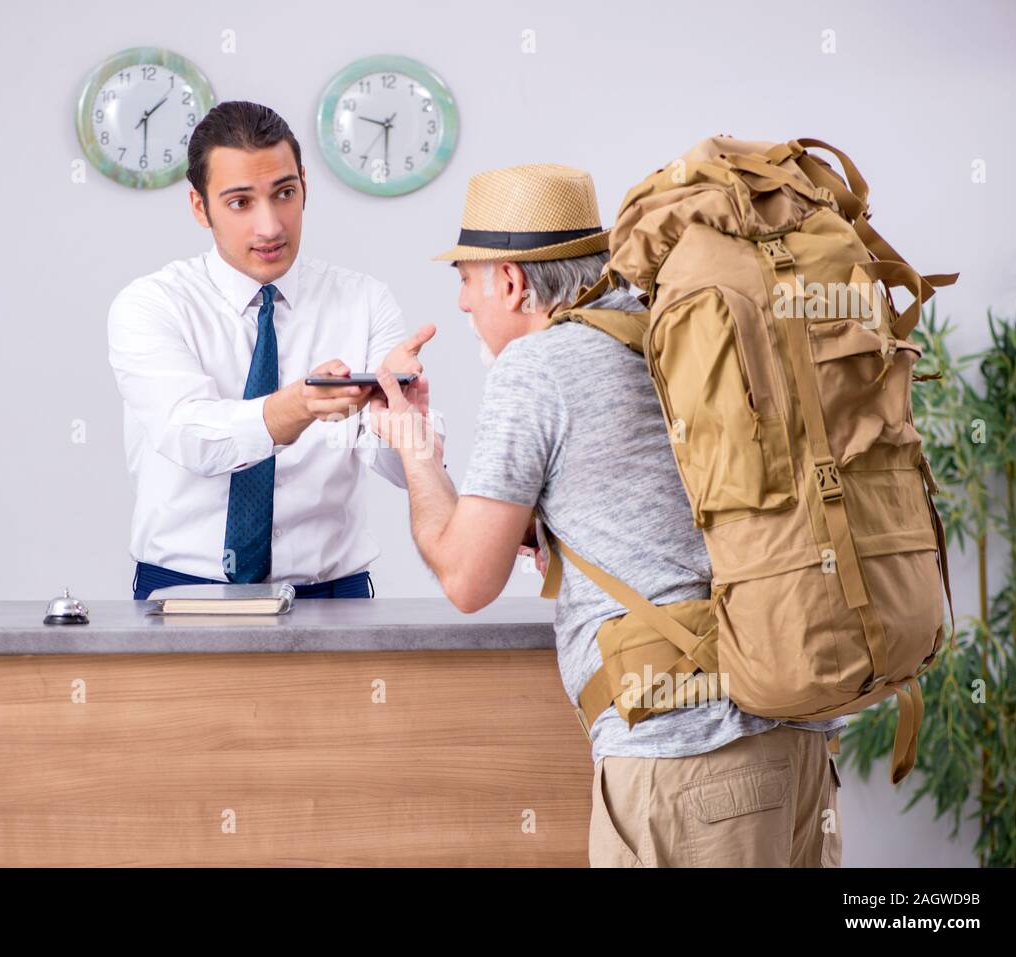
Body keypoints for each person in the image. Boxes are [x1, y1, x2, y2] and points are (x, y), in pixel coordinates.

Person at [366, 163, 848, 866]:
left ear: (511, 282)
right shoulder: (674, 330)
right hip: (799, 737)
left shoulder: (537, 366)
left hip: (683, 762)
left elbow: (466, 579)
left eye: (467, 279)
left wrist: (414, 448)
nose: (465, 304)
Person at [107, 101, 441, 599]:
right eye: (240, 202)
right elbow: (190, 436)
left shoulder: (365, 301)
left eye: (284, 193)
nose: (270, 227)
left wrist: (404, 424)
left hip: (333, 595)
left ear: (304, 185)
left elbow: (394, 469)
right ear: (200, 207)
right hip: (182, 594)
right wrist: (299, 405)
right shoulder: (151, 305)